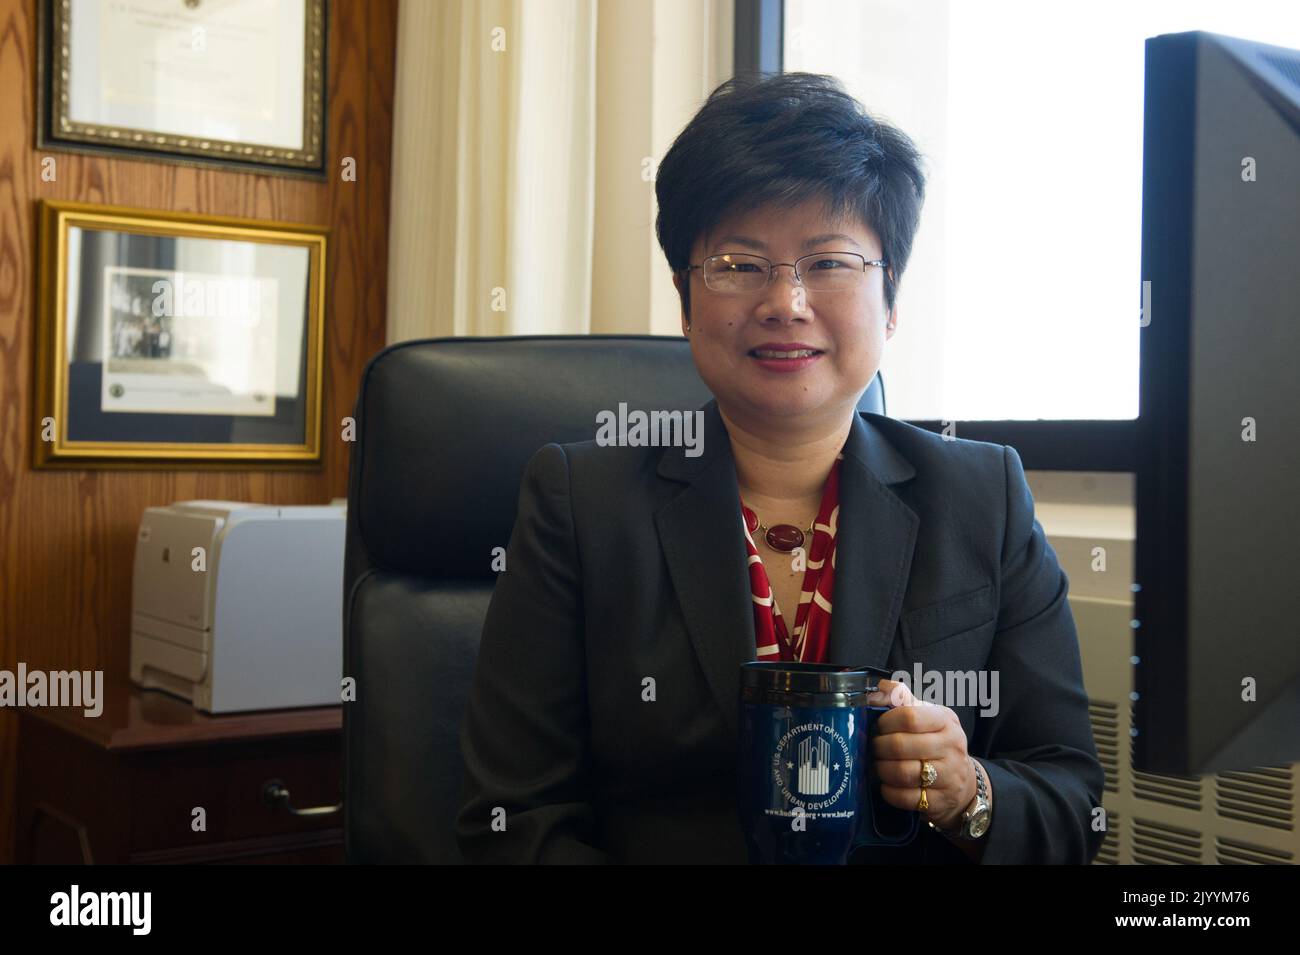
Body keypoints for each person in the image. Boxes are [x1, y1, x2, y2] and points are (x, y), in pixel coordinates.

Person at [455, 72, 1105, 864]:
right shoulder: (580, 503)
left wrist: (968, 791)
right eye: (739, 263)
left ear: (892, 298)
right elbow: (514, 819)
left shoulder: (984, 496)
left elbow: (1071, 802)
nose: (786, 302)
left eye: (829, 262)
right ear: (686, 299)